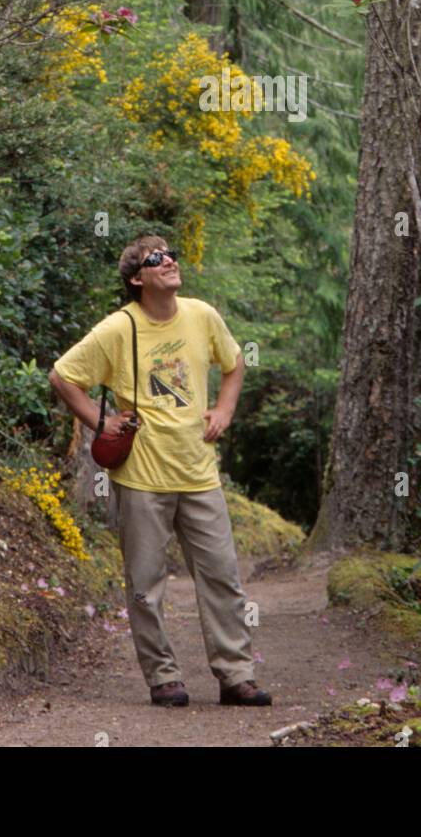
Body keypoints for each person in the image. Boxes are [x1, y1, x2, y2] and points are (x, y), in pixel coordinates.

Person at [48, 233, 272, 709]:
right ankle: (164, 677)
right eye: (156, 258)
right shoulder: (118, 328)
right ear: (137, 278)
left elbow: (233, 365)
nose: (169, 260)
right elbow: (63, 375)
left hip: (199, 472)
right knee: (146, 583)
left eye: (171, 254)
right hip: (141, 477)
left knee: (222, 577)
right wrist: (99, 421)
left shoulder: (202, 315)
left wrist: (224, 410)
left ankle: (236, 676)